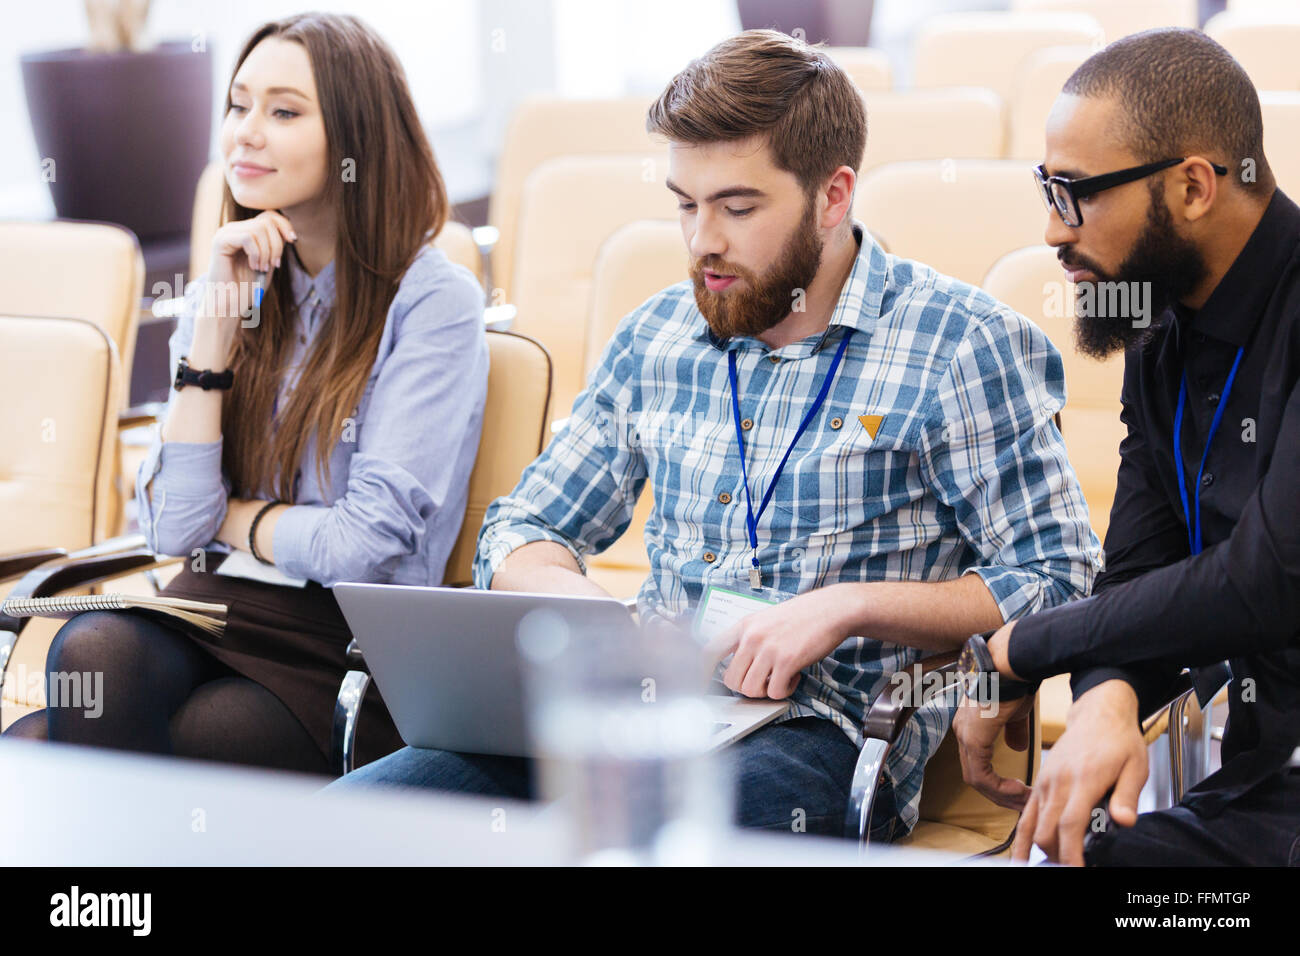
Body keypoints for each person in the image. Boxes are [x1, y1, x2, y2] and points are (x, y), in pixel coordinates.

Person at [329, 30, 1101, 840]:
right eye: (685, 205)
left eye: (737, 207)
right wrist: (601, 624)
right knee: (350, 828)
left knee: (620, 842)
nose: (703, 241)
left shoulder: (961, 346)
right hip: (635, 710)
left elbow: (1060, 578)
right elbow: (522, 529)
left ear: (833, 196)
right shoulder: (657, 336)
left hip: (817, 732)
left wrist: (847, 607)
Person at [2, 13, 489, 775]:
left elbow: (363, 548)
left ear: (357, 138)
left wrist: (235, 519)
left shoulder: (434, 302)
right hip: (210, 605)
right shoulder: (226, 287)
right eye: (238, 105)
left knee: (55, 748)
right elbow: (172, 526)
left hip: (345, 641)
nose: (245, 134)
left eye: (284, 111)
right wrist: (214, 337)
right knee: (93, 654)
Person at [953, 28, 1300, 866]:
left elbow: (1269, 581)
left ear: (1191, 187)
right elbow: (1139, 572)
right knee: (1078, 852)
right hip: (1270, 779)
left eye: (1074, 193)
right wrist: (1107, 695)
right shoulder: (1157, 333)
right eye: (1047, 189)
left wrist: (1022, 646)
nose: (1050, 229)